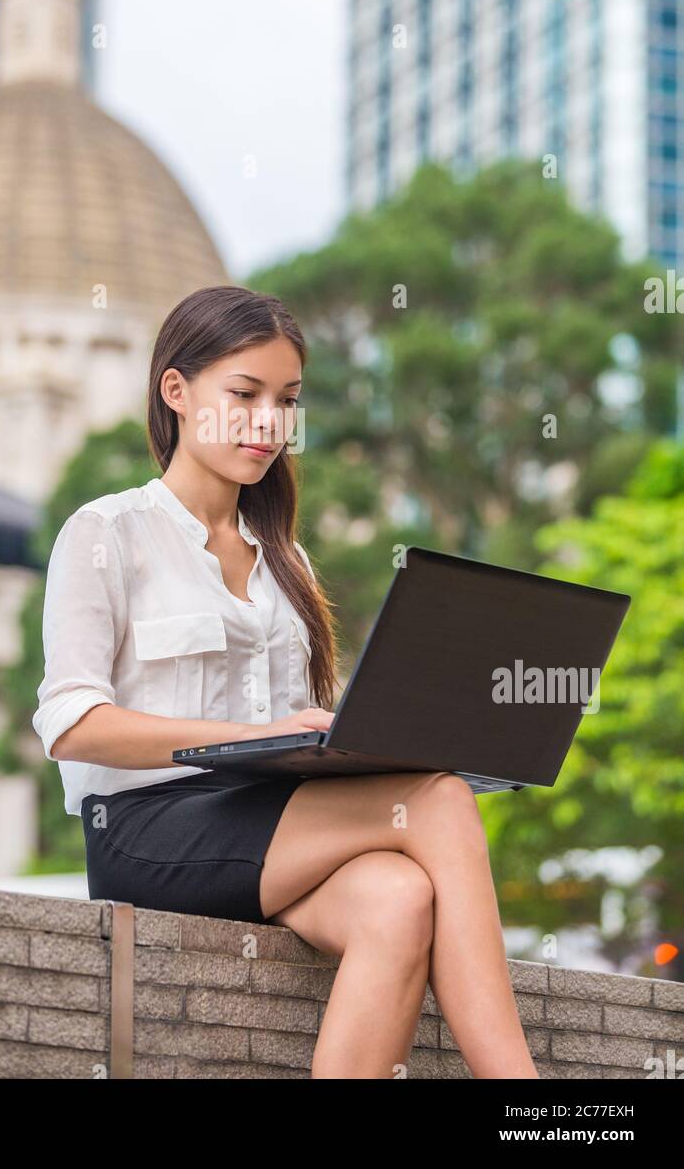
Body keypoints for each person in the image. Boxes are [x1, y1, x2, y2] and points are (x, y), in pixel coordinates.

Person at [33, 284, 539, 1080]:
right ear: (177, 391)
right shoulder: (107, 532)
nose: (268, 422)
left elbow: (293, 734)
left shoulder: (287, 564)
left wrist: (344, 738)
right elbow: (71, 722)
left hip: (261, 824)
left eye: (287, 401)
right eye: (244, 394)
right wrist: (248, 741)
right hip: (143, 830)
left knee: (399, 899)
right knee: (438, 799)